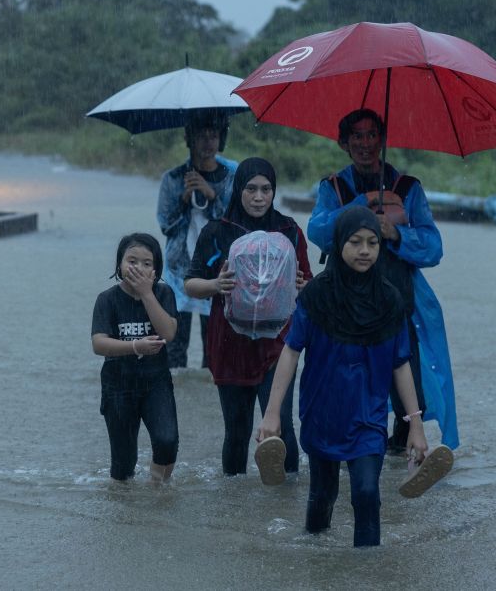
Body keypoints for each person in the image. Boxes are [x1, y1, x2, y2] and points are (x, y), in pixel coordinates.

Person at [257, 206, 453, 547]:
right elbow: (290, 352)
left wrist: (416, 425)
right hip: (322, 412)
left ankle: (368, 568)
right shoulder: (317, 295)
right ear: (339, 244)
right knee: (322, 496)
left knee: (366, 494)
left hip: (368, 417)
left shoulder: (389, 300)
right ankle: (315, 560)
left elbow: (401, 364)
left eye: (373, 243)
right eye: (356, 242)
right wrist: (272, 414)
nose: (365, 251)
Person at [307, 108, 458, 453]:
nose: (365, 144)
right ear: (344, 143)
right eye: (357, 137)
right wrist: (361, 207)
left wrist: (396, 234)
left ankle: (398, 456)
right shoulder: (333, 188)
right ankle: (355, 454)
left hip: (396, 305)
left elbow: (433, 248)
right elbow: (317, 231)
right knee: (349, 388)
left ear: (383, 140)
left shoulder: (408, 188)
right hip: (344, 308)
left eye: (372, 135)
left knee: (410, 397)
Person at [184, 157, 311, 478]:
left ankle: (289, 495)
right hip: (230, 346)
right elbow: (190, 284)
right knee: (237, 432)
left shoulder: (290, 231)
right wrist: (215, 285)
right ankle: (234, 499)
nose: (258, 197)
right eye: (251, 189)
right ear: (238, 189)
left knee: (282, 425)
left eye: (266, 189)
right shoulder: (217, 231)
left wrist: (302, 285)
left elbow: (309, 286)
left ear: (274, 191)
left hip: (279, 347)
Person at [91, 233, 179, 483]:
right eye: (132, 261)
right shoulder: (107, 299)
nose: (138, 268)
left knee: (167, 441)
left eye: (146, 263)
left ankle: (158, 490)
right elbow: (98, 344)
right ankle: (126, 502)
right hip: (118, 385)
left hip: (156, 382)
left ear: (156, 269)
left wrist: (147, 294)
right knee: (123, 463)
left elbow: (169, 333)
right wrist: (135, 346)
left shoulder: (163, 294)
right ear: (119, 264)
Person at [157, 113, 237, 368]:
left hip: (218, 269)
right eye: (201, 136)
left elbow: (237, 223)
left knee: (215, 350)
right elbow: (165, 225)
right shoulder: (172, 178)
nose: (207, 142)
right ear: (188, 139)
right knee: (174, 348)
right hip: (178, 271)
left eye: (213, 136)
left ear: (221, 139)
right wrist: (184, 199)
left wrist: (211, 195)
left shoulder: (232, 175)